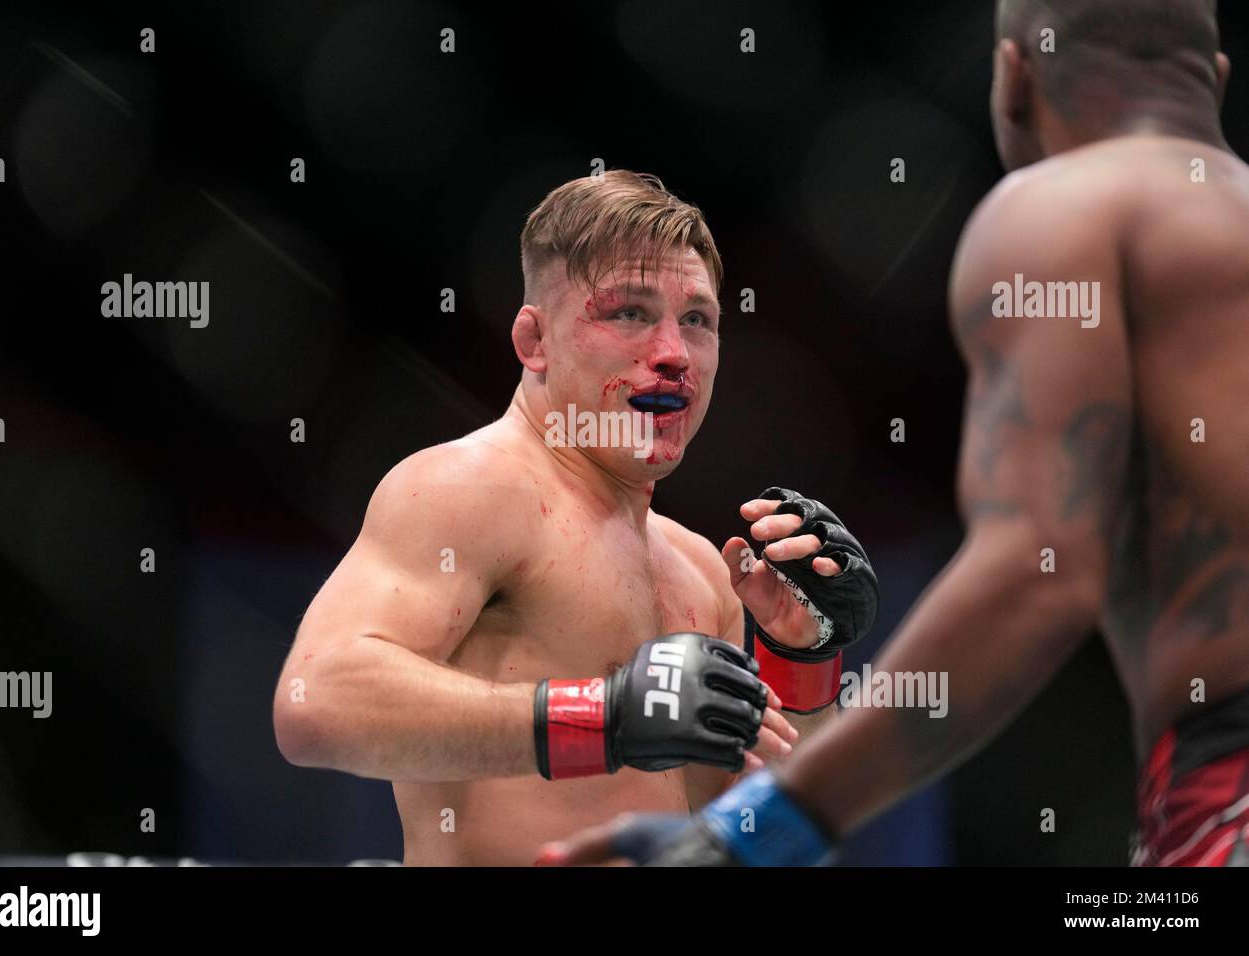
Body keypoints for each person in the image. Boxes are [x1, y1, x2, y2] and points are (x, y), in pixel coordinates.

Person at [541, 0, 1249, 867]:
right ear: (1213, 81)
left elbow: (1039, 571)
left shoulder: (1069, 207)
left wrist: (750, 833)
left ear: (1014, 78)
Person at [272, 170, 878, 865]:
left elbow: (742, 828)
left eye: (697, 320)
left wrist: (803, 658)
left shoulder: (702, 567)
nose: (675, 355)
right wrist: (603, 717)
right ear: (535, 342)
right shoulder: (470, 487)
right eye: (628, 313)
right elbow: (315, 700)